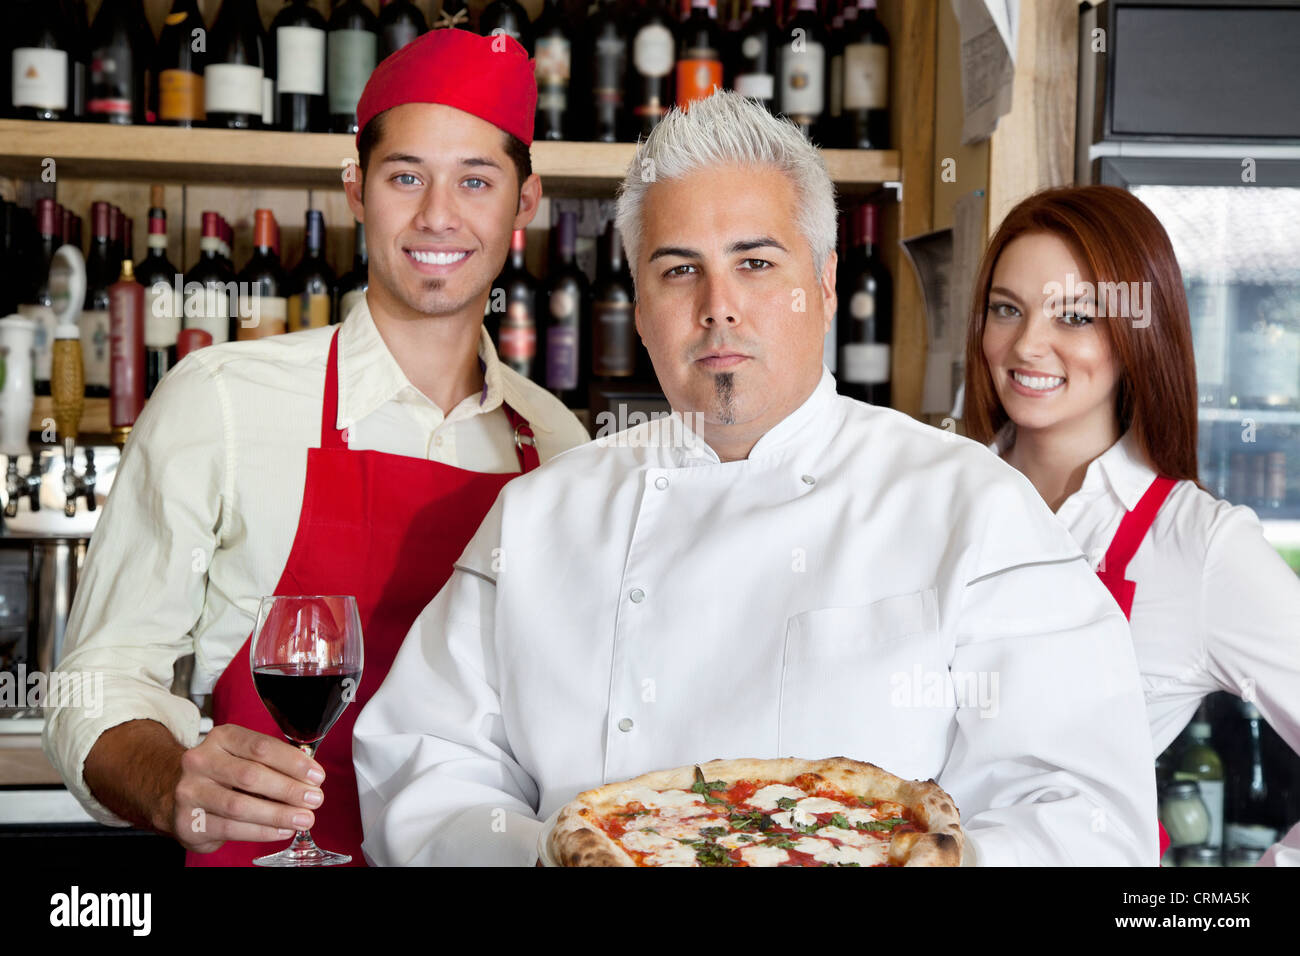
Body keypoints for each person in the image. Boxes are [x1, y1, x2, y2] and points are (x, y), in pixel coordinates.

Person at [352, 90, 1160, 867]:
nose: (718, 306)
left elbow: (1085, 810)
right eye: (677, 270)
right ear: (638, 308)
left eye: (756, 261)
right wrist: (563, 857)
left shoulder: (971, 505)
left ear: (825, 282)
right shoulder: (537, 515)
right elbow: (423, 765)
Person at [42, 29, 590, 866]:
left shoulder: (558, 444)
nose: (437, 215)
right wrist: (171, 781)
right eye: (405, 176)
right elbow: (100, 678)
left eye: (475, 181)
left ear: (524, 205)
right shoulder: (220, 399)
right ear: (355, 191)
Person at [961, 184, 1300, 863]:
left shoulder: (1199, 548)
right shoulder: (938, 493)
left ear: (1137, 331)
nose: (1028, 345)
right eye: (1007, 309)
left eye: (1075, 317)